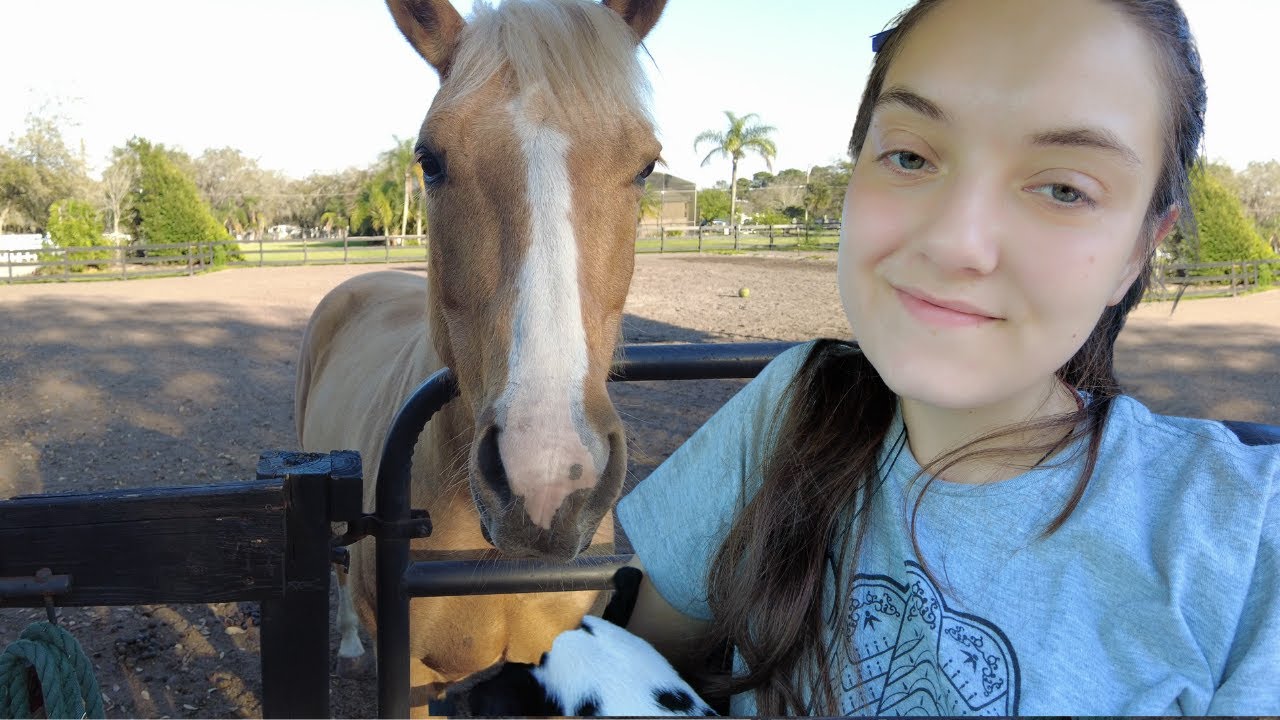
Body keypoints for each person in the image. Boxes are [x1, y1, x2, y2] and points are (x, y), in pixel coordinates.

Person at [616, 0, 1280, 715]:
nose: (956, 241)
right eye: (909, 155)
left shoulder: (1245, 541)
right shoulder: (788, 409)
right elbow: (640, 670)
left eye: (1064, 188)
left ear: (1139, 251)